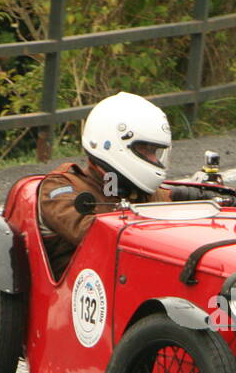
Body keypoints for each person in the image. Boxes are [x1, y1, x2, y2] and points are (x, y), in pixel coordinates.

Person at [36, 91, 176, 273]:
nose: (153, 159)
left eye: (154, 151)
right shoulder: (61, 187)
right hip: (81, 289)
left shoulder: (142, 192)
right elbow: (87, 232)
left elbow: (174, 211)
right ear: (110, 143)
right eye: (144, 149)